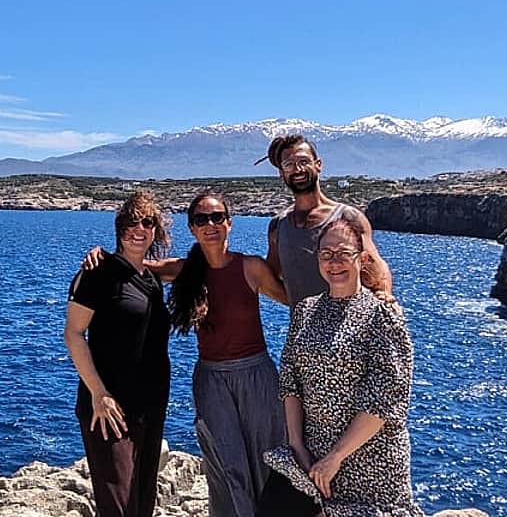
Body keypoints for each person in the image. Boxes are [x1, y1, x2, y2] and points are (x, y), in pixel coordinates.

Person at [274, 210, 424, 517]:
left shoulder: (382, 315)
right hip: (309, 459)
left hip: (368, 465)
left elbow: (385, 400)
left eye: (344, 254)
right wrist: (296, 444)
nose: (334, 263)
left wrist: (335, 457)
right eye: (326, 254)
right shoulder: (305, 311)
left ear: (362, 259)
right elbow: (290, 380)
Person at [168, 192, 289, 517]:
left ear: (229, 223)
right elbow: (137, 267)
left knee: (271, 457)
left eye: (217, 217)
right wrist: (99, 259)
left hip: (258, 376)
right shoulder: (185, 271)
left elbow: (294, 301)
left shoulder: (250, 268)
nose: (210, 225)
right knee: (226, 463)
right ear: (192, 229)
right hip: (212, 381)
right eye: (201, 219)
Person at [64, 190, 173, 517]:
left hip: (151, 407)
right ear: (118, 227)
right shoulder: (98, 273)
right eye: (130, 221)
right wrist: (99, 393)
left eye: (147, 222)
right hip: (109, 408)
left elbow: (193, 266)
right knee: (119, 506)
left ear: (156, 229)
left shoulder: (152, 278)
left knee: (141, 505)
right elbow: (73, 334)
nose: (138, 228)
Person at [260, 135, 394, 305]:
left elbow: (377, 266)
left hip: (349, 329)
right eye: (289, 165)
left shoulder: (347, 217)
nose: (298, 169)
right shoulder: (278, 226)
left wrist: (384, 295)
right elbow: (267, 277)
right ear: (282, 173)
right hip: (302, 330)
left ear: (318, 165)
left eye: (304, 161)